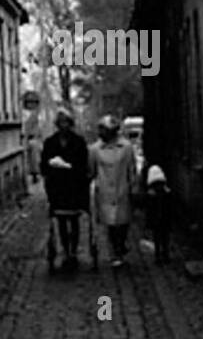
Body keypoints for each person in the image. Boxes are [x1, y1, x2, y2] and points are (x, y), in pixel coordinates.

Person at [39, 109, 90, 268]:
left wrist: (72, 169)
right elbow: (44, 164)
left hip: (73, 185)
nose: (63, 126)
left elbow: (83, 164)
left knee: (74, 219)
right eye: (61, 123)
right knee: (60, 220)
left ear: (71, 124)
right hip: (57, 186)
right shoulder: (50, 142)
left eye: (66, 123)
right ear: (57, 125)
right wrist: (50, 169)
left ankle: (73, 251)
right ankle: (65, 250)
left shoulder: (79, 142)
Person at [88, 114, 138, 267]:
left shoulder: (126, 147)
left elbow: (132, 168)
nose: (101, 133)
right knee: (110, 222)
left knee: (122, 221)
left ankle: (121, 245)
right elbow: (91, 170)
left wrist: (133, 186)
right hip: (104, 189)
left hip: (122, 187)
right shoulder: (95, 149)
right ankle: (116, 251)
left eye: (104, 130)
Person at [144, 164, 173, 265]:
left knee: (158, 238)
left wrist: (148, 222)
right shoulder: (167, 193)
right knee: (164, 238)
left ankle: (159, 256)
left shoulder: (151, 195)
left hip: (157, 220)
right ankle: (165, 255)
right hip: (164, 219)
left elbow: (148, 210)